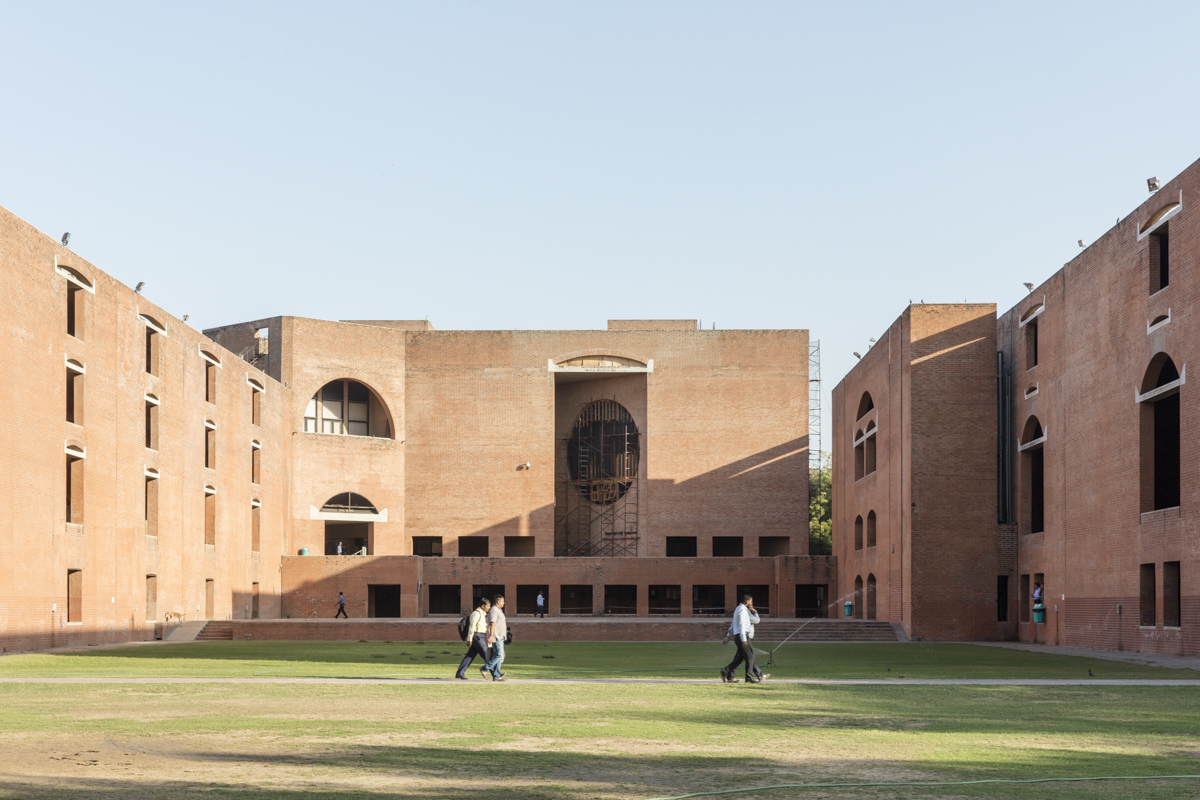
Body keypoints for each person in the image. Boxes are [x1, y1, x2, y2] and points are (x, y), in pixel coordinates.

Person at [720, 594, 761, 684]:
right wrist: (744, 640)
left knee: (741, 658)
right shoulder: (742, 610)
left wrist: (728, 636)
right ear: (746, 602)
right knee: (750, 657)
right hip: (742, 635)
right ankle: (749, 678)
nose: (752, 603)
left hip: (738, 636)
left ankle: (725, 671)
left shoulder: (738, 609)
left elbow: (733, 624)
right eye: (751, 601)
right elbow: (742, 625)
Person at [455, 598, 491, 680]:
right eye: (488, 606)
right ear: (482, 606)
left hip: (480, 636)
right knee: (486, 655)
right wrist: (469, 639)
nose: (489, 607)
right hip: (477, 636)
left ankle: (460, 673)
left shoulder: (483, 613)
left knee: (469, 656)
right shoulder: (476, 614)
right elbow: (472, 627)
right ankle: (496, 673)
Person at [483, 594, 508, 681]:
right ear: (498, 602)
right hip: (496, 636)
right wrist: (491, 636)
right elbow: (492, 623)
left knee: (499, 656)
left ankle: (497, 675)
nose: (504, 603)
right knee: (499, 654)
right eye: (503, 601)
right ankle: (484, 668)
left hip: (500, 636)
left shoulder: (498, 610)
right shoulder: (494, 610)